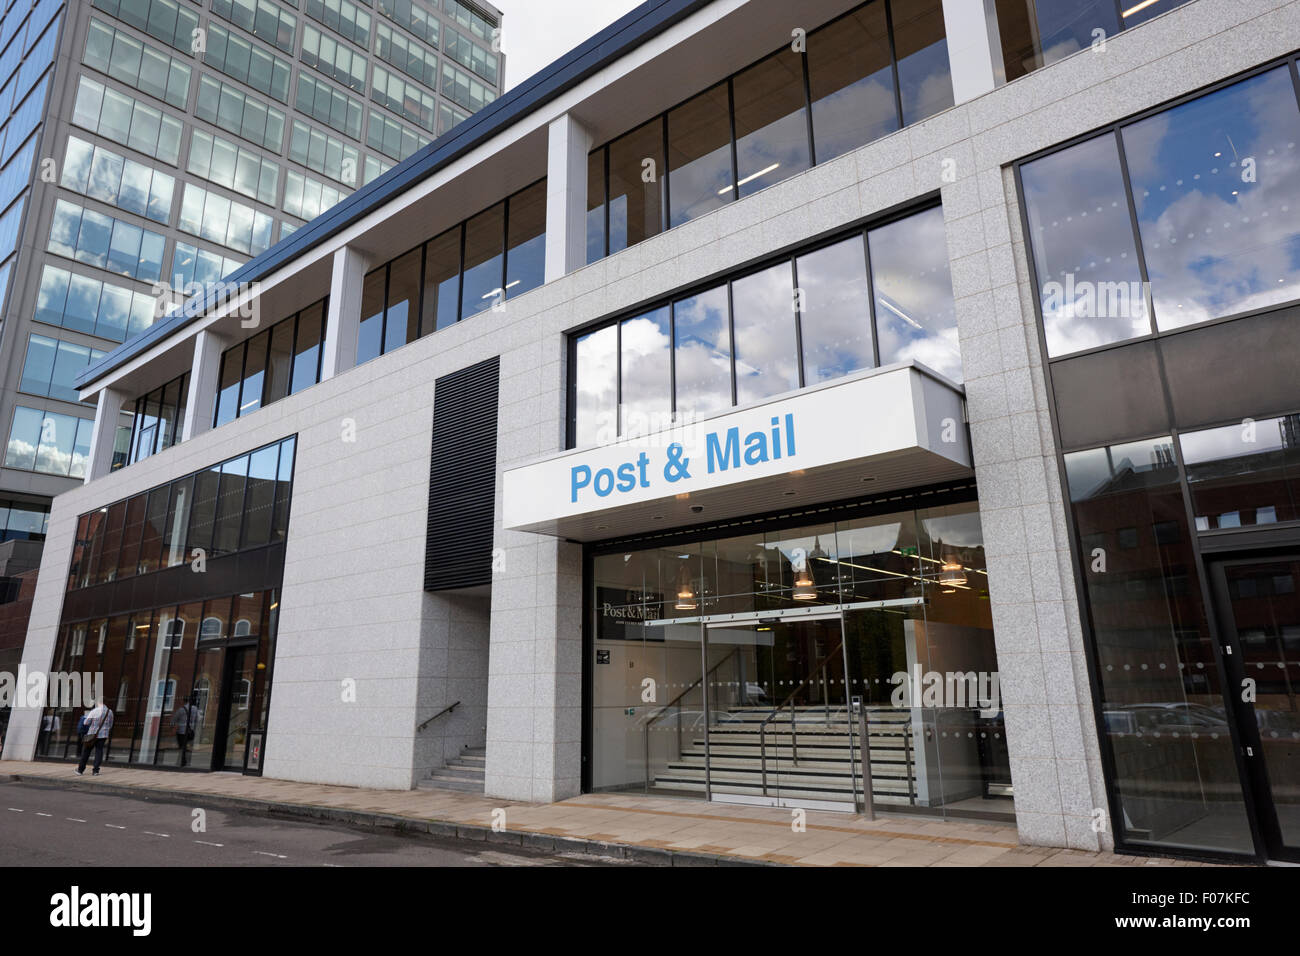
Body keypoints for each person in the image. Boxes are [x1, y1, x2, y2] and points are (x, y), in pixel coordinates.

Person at [76, 698, 113, 776]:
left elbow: (86, 723)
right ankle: (95, 771)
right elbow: (110, 724)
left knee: (86, 752)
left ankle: (80, 770)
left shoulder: (94, 711)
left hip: (91, 734)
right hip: (103, 735)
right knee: (99, 752)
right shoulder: (109, 712)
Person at [171, 696, 199, 768]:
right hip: (190, 731)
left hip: (182, 732)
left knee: (182, 747)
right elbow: (198, 719)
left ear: (184, 701)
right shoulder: (195, 709)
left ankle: (182, 761)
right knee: (185, 746)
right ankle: (183, 761)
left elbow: (174, 719)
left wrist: (172, 726)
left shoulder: (181, 710)